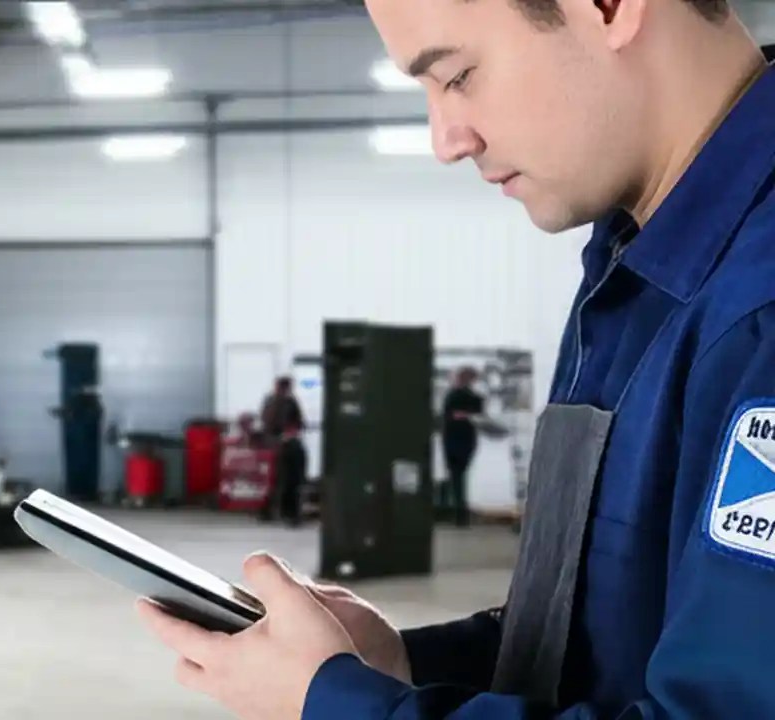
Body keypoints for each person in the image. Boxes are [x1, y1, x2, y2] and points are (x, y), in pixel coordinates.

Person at [136, 0, 775, 717]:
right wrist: (398, 665)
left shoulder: (758, 307)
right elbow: (609, 637)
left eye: (459, 75)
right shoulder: (630, 268)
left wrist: (347, 707)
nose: (446, 139)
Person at [440, 367, 486, 527]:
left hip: (456, 439)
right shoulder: (471, 397)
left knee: (456, 476)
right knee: (457, 477)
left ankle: (458, 514)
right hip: (462, 439)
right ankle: (458, 513)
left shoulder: (455, 396)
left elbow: (449, 415)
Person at [259, 377, 308, 525]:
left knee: (275, 481)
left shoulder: (271, 401)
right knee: (288, 481)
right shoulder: (288, 402)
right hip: (284, 446)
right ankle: (288, 513)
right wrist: (288, 434)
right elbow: (298, 423)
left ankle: (270, 512)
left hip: (273, 446)